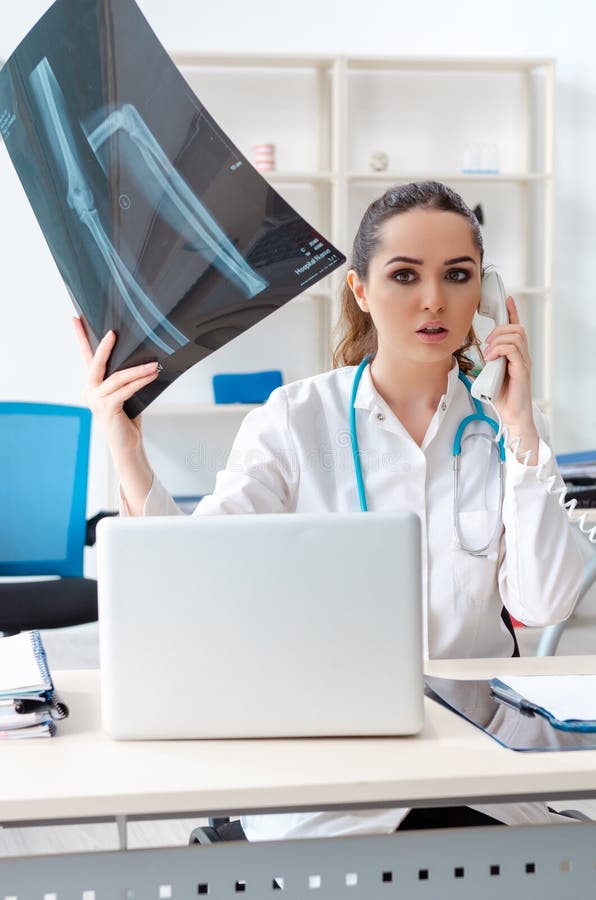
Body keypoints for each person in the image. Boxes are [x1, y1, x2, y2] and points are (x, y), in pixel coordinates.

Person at [75, 180, 583, 839]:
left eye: (458, 276)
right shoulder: (295, 419)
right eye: (405, 275)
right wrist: (129, 453)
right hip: (332, 768)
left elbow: (544, 605)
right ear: (362, 292)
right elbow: (200, 575)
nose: (434, 300)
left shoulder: (509, 428)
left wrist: (521, 432)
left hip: (477, 763)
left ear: (484, 295)